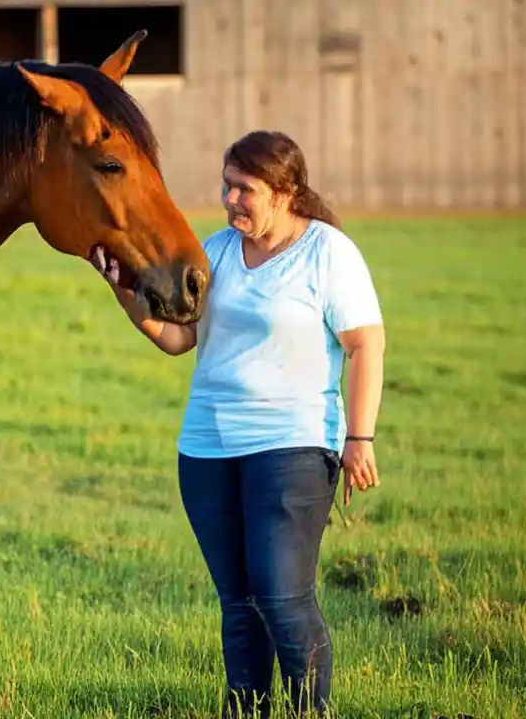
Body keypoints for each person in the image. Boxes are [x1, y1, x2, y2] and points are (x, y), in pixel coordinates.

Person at [105, 130, 385, 717]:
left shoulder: (328, 253)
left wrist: (360, 438)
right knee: (239, 601)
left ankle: (310, 709)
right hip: (207, 449)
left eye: (245, 189)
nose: (231, 199)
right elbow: (180, 339)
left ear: (285, 192)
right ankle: (248, 707)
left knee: (281, 596)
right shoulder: (218, 252)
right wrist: (126, 292)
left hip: (294, 448)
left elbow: (366, 345)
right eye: (227, 185)